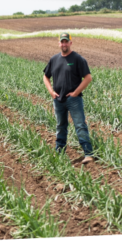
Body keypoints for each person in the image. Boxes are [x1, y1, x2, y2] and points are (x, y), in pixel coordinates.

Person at [42, 33, 94, 163]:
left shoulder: (78, 59)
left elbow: (88, 77)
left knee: (80, 125)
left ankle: (88, 154)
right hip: (58, 100)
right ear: (59, 43)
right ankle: (59, 153)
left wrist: (76, 92)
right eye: (62, 42)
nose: (64, 44)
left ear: (70, 43)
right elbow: (45, 76)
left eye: (66, 42)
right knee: (60, 125)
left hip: (74, 100)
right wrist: (51, 92)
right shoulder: (54, 59)